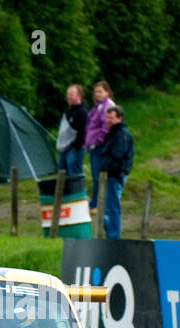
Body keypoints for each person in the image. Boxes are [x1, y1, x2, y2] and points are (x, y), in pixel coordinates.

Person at [95, 105, 133, 238]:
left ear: (120, 118)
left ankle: (113, 237)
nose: (108, 120)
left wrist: (105, 166)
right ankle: (110, 235)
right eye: (107, 117)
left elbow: (118, 155)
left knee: (112, 207)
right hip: (109, 176)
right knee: (107, 207)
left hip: (115, 176)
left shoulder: (121, 134)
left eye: (111, 118)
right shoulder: (112, 133)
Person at [84, 80, 116, 211]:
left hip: (100, 146)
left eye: (100, 91)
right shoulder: (98, 106)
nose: (97, 94)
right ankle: (96, 202)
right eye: (95, 91)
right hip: (92, 146)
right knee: (95, 175)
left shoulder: (107, 106)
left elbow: (106, 126)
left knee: (98, 176)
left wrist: (97, 141)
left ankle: (95, 204)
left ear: (107, 92)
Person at [56, 84, 87, 180]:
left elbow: (83, 132)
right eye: (68, 94)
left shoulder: (82, 111)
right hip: (64, 149)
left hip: (73, 150)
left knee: (74, 176)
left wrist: (74, 146)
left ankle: (77, 194)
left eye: (71, 94)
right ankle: (64, 194)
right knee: (62, 176)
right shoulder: (69, 110)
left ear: (79, 96)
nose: (68, 97)